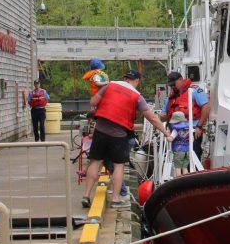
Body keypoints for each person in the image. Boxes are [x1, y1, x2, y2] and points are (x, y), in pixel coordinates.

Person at [82, 69, 167, 209]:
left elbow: (93, 102)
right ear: (137, 81)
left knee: (95, 161)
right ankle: (116, 199)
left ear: (124, 78)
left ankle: (86, 196)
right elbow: (151, 117)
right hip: (119, 134)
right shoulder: (137, 96)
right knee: (118, 166)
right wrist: (166, 133)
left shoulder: (108, 85)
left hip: (101, 129)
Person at [166, 71, 210, 161]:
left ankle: (194, 173)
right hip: (177, 132)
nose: (172, 86)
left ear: (180, 80)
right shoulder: (172, 97)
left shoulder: (195, 90)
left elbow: (206, 107)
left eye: (174, 84)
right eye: (171, 85)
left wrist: (199, 126)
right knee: (179, 157)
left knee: (194, 154)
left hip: (193, 129)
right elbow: (164, 114)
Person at [167, 111, 190, 176]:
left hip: (179, 151)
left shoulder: (175, 130)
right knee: (185, 168)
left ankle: (179, 180)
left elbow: (171, 139)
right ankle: (186, 181)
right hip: (187, 151)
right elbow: (192, 139)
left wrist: (167, 136)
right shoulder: (188, 129)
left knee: (178, 168)